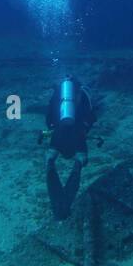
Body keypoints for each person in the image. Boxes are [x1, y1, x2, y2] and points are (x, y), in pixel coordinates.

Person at [42, 76, 95, 220]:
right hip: (78, 134)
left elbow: (49, 118)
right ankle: (77, 167)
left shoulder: (57, 95)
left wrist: (53, 130)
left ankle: (50, 163)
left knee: (51, 156)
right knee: (80, 159)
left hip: (58, 133)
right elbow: (90, 117)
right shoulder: (84, 94)